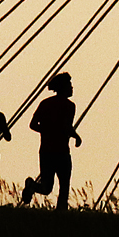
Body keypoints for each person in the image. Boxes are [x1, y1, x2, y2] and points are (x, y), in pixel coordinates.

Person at [20, 72, 82, 210]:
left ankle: (34, 187)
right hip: (58, 151)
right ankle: (60, 210)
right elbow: (66, 127)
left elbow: (34, 125)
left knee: (49, 187)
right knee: (60, 184)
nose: (72, 88)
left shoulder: (48, 103)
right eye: (69, 85)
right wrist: (72, 135)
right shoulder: (68, 106)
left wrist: (74, 136)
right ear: (62, 87)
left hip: (49, 150)